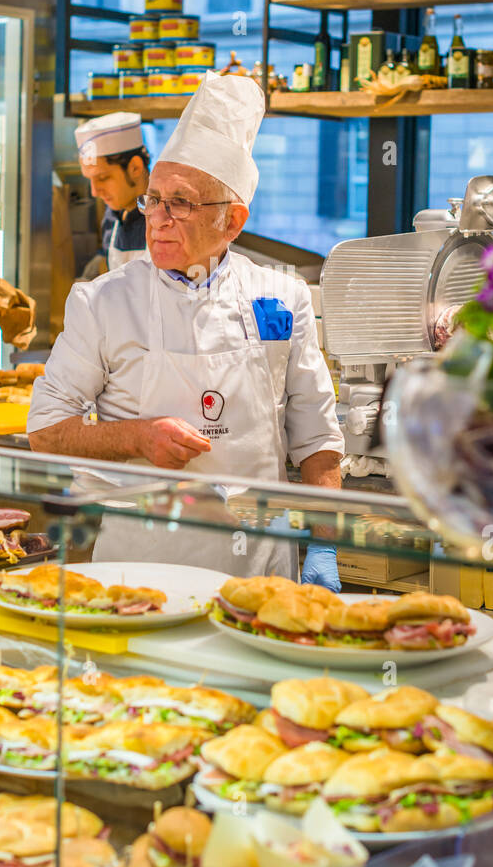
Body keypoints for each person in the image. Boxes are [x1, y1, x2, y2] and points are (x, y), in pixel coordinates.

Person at [29, 72, 344, 586]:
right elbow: (45, 430)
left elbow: (316, 437)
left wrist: (324, 545)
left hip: (260, 574)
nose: (158, 218)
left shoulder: (283, 298)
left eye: (181, 202)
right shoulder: (102, 302)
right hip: (140, 570)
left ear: (233, 222)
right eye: (153, 199)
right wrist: (137, 438)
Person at [75, 112, 149, 272]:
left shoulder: (169, 219)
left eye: (103, 177)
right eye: (90, 179)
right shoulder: (111, 217)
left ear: (135, 167)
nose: (94, 192)